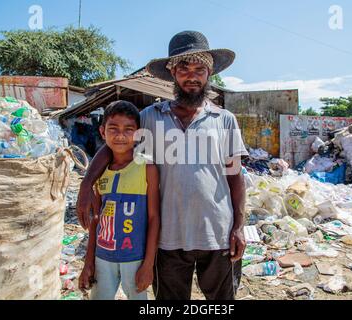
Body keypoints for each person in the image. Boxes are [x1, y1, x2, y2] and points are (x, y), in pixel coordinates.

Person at [77, 30, 248, 300]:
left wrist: (239, 226)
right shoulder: (149, 118)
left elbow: (235, 178)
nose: (192, 75)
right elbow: (114, 148)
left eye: (199, 68)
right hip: (166, 238)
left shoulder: (224, 119)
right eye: (184, 68)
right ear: (172, 74)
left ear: (209, 74)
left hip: (218, 234)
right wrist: (87, 184)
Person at [78, 100, 160, 300]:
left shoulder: (146, 168)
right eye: (113, 129)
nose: (121, 135)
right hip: (103, 257)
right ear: (102, 131)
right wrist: (89, 261)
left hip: (135, 258)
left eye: (128, 129)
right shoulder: (99, 173)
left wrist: (148, 264)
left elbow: (154, 218)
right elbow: (96, 218)